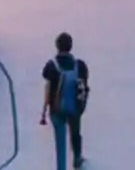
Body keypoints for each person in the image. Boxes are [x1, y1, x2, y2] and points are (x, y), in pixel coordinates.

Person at [40, 32, 89, 170]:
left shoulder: (51, 65)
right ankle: (77, 159)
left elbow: (48, 88)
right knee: (75, 133)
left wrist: (44, 110)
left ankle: (61, 167)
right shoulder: (80, 66)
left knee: (60, 140)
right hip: (74, 108)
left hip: (56, 109)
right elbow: (84, 85)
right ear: (71, 47)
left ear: (57, 46)